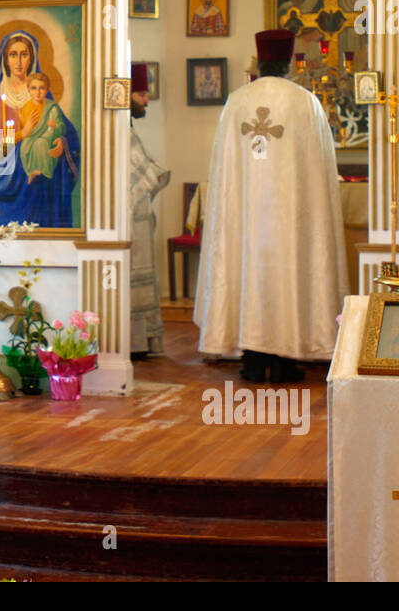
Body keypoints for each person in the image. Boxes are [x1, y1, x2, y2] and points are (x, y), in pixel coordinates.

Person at [194, 30, 348, 382]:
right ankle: (283, 359)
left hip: (246, 217)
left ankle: (251, 358)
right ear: (289, 63)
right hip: (289, 216)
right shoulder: (304, 101)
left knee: (247, 271)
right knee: (288, 274)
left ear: (259, 62)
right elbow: (320, 167)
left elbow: (224, 168)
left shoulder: (236, 101)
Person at [0, 30, 80, 227]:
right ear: (4, 59)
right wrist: (22, 135)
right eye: (13, 54)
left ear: (32, 58)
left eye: (24, 54)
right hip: (3, 186)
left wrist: (61, 144)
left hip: (37, 190)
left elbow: (67, 136)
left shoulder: (41, 94)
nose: (19, 61)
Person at [129, 63, 170, 357]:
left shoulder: (126, 127)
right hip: (127, 217)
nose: (146, 100)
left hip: (138, 215)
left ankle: (141, 341)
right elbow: (141, 172)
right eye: (141, 94)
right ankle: (134, 343)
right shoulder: (117, 127)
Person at [17, 72, 66, 183]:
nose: (38, 92)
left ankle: (44, 171)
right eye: (34, 88)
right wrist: (25, 131)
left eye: (42, 88)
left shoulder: (52, 107)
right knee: (29, 145)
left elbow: (62, 127)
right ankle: (31, 170)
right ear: (28, 90)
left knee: (41, 143)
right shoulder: (25, 108)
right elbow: (21, 131)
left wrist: (56, 127)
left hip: (47, 138)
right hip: (29, 140)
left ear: (47, 90)